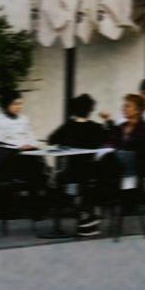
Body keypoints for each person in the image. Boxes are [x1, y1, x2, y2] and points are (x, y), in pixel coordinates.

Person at [50, 90, 119, 234]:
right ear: (90, 110)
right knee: (97, 181)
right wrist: (108, 119)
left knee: (68, 181)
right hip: (91, 171)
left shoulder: (68, 126)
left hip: (69, 172)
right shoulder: (94, 127)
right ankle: (88, 216)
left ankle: (86, 217)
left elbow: (52, 139)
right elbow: (113, 136)